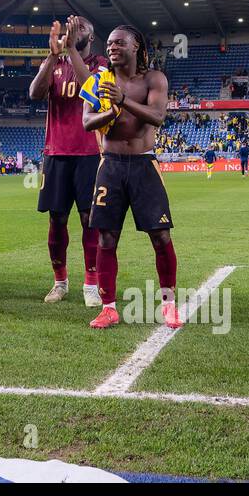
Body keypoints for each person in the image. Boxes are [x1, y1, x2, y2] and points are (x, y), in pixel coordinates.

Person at [81, 25, 182, 330]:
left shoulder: (153, 79)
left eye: (119, 43)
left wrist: (122, 100)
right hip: (110, 165)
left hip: (143, 164)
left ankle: (169, 305)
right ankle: (108, 307)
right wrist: (108, 115)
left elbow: (158, 117)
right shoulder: (98, 80)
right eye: (109, 43)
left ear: (136, 45)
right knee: (106, 237)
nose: (112, 47)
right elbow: (87, 122)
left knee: (161, 236)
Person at [27, 16, 106, 305]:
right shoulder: (55, 63)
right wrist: (52, 55)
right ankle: (60, 281)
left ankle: (91, 283)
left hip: (90, 153)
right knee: (57, 217)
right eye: (72, 28)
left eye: (81, 27)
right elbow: (35, 93)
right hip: (56, 153)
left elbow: (93, 92)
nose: (74, 31)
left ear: (91, 37)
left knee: (89, 219)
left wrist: (70, 49)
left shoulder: (100, 64)